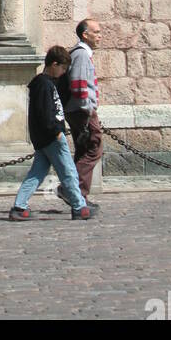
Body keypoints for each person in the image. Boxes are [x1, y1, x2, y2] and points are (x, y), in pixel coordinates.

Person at [9, 47, 94, 221]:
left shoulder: (48, 83)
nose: (63, 73)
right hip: (51, 136)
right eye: (62, 68)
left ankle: (19, 206)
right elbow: (44, 112)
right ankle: (79, 206)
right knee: (68, 171)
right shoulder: (43, 84)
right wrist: (56, 132)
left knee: (37, 173)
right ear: (54, 64)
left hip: (45, 137)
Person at [58, 18, 103, 206]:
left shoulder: (82, 54)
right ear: (85, 35)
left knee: (83, 149)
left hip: (79, 109)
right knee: (94, 147)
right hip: (82, 110)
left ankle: (78, 197)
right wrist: (87, 109)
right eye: (97, 32)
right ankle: (73, 191)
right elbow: (78, 84)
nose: (100, 36)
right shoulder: (82, 55)